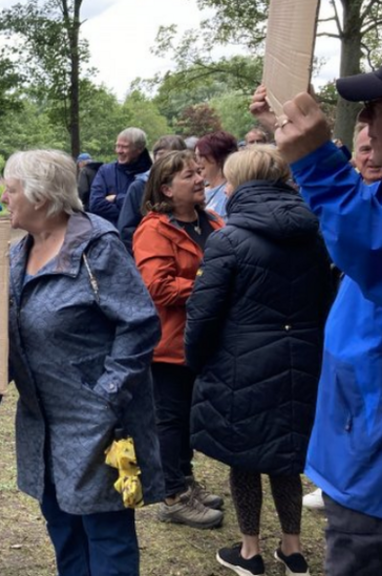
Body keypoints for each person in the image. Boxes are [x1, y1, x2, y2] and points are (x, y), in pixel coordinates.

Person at [3, 150, 163, 575]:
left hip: (96, 424)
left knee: (106, 532)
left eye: (12, 188)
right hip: (42, 422)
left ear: (39, 197)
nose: (4, 196)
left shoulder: (96, 246)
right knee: (63, 527)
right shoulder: (19, 252)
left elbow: (141, 323)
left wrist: (108, 395)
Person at [250, 75, 382, 574]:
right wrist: (293, 141)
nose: (362, 125)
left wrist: (317, 161)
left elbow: (372, 246)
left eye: (374, 110)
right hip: (356, 453)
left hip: (371, 473)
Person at [185, 145, 332, 576]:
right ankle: (293, 549)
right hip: (302, 359)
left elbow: (204, 311)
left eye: (229, 178)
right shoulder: (315, 233)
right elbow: (326, 299)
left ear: (242, 182)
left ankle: (250, 552)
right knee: (286, 455)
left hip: (241, 364)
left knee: (245, 458)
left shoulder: (229, 238)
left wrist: (197, 359)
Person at [133, 150, 226, 530]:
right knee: (169, 420)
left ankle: (185, 482)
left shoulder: (214, 221)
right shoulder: (153, 230)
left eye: (198, 172)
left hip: (206, 338)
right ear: (168, 189)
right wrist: (213, 283)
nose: (199, 178)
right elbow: (158, 287)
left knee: (189, 417)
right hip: (170, 343)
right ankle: (171, 495)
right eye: (189, 175)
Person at [302, 120, 380, 512]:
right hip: (353, 433)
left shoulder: (367, 215)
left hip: (367, 448)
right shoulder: (364, 202)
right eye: (362, 148)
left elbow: (371, 245)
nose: (371, 155)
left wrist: (312, 157)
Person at [117, 135, 188, 253]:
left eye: (171, 157)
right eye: (160, 155)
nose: (165, 161)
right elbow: (126, 229)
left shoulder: (189, 185)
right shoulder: (140, 186)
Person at [89, 128, 152, 223]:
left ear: (140, 149)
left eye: (124, 147)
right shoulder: (105, 171)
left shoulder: (151, 173)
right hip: (113, 233)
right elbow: (95, 204)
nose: (119, 151)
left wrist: (116, 198)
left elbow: (150, 205)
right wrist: (129, 213)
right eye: (117, 146)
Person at [195, 131, 239, 220]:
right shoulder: (200, 190)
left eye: (201, 156)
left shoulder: (230, 192)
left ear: (218, 157)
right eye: (195, 156)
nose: (197, 163)